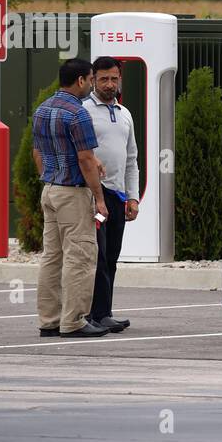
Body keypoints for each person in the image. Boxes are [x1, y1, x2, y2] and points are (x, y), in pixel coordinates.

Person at [32, 58, 108, 339]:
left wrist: (51, 177)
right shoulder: (78, 114)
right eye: (90, 79)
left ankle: (49, 320)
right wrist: (99, 198)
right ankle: (74, 321)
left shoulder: (43, 109)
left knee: (52, 257)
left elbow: (37, 152)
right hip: (73, 194)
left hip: (50, 189)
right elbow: (85, 158)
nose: (91, 84)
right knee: (81, 256)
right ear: (80, 81)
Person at [85, 56, 139, 333]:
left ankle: (104, 312)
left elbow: (131, 158)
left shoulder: (125, 113)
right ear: (92, 79)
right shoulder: (84, 110)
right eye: (103, 78)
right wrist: (97, 196)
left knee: (113, 255)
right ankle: (94, 314)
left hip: (118, 196)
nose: (109, 84)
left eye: (114, 79)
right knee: (99, 255)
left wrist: (133, 197)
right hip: (96, 195)